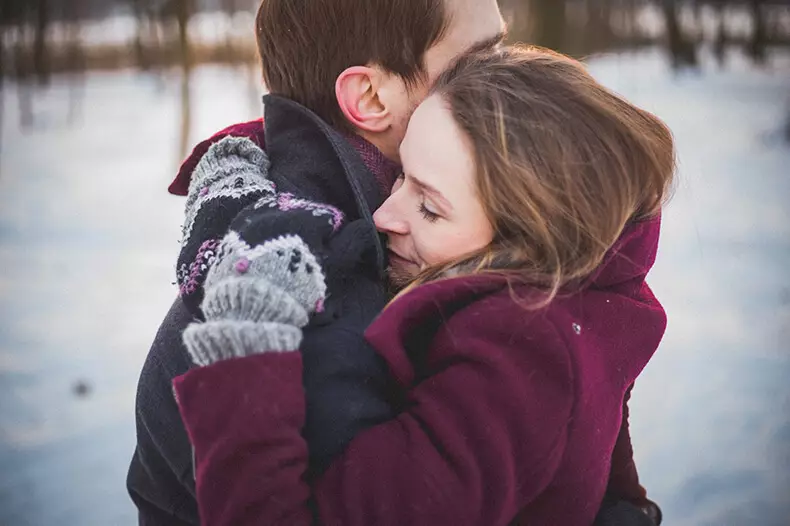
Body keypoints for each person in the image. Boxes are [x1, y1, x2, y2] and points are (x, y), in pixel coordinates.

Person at [172, 45, 675, 525]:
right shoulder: (588, 300)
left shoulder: (514, 368)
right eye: (400, 175)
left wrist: (245, 344)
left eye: (430, 208)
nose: (383, 215)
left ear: (529, 243)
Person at [127, 1, 508, 523]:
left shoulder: (395, 229)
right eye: (480, 61)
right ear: (371, 97)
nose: (513, 78)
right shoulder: (314, 289)